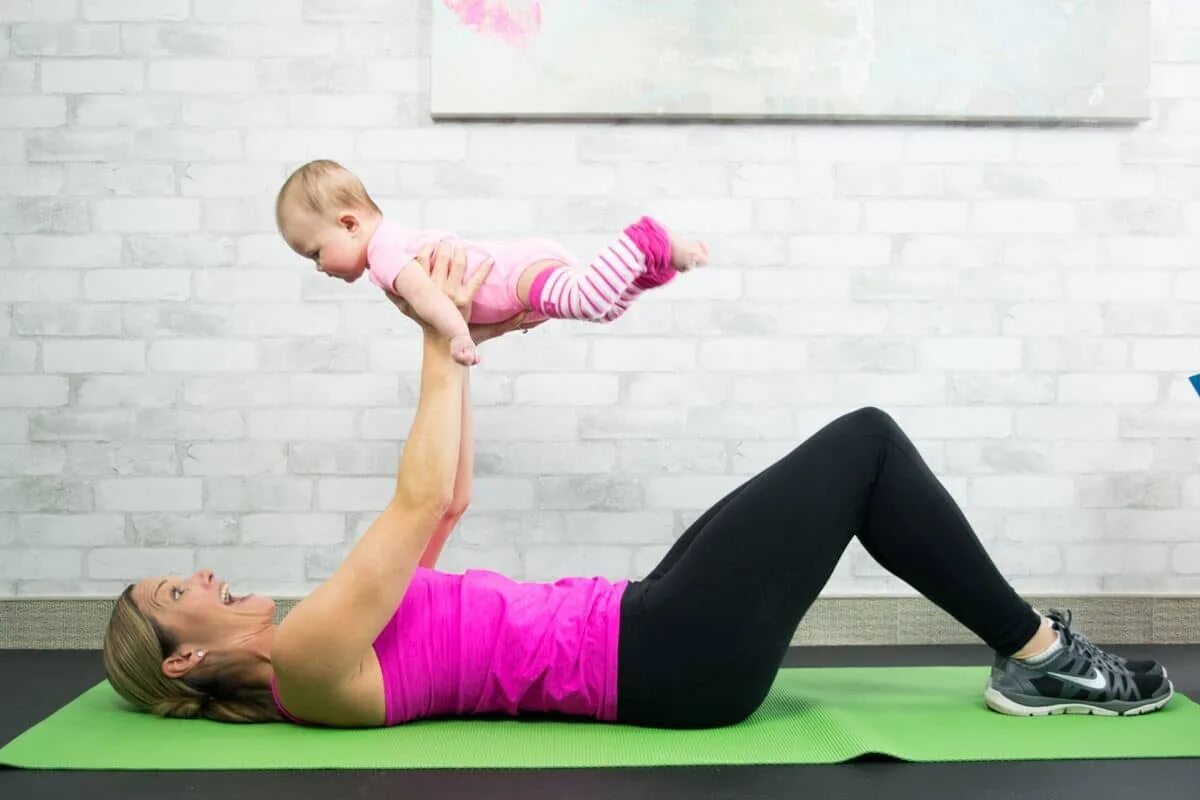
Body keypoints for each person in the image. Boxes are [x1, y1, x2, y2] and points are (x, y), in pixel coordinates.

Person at [102, 244, 1173, 727]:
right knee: (866, 445)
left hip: (642, 625)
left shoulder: (323, 636)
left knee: (849, 459)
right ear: (185, 653)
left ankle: (1035, 650)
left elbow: (449, 499)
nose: (198, 570)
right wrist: (435, 332)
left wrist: (467, 340)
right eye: (171, 590)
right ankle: (1040, 659)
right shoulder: (307, 659)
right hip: (665, 658)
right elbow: (416, 502)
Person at [274, 159, 708, 366]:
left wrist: (459, 336)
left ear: (349, 224)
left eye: (315, 252)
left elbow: (426, 296)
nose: (318, 267)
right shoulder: (386, 247)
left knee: (590, 300)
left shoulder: (383, 253)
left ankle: (643, 239)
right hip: (519, 272)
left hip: (513, 277)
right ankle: (651, 261)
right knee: (606, 307)